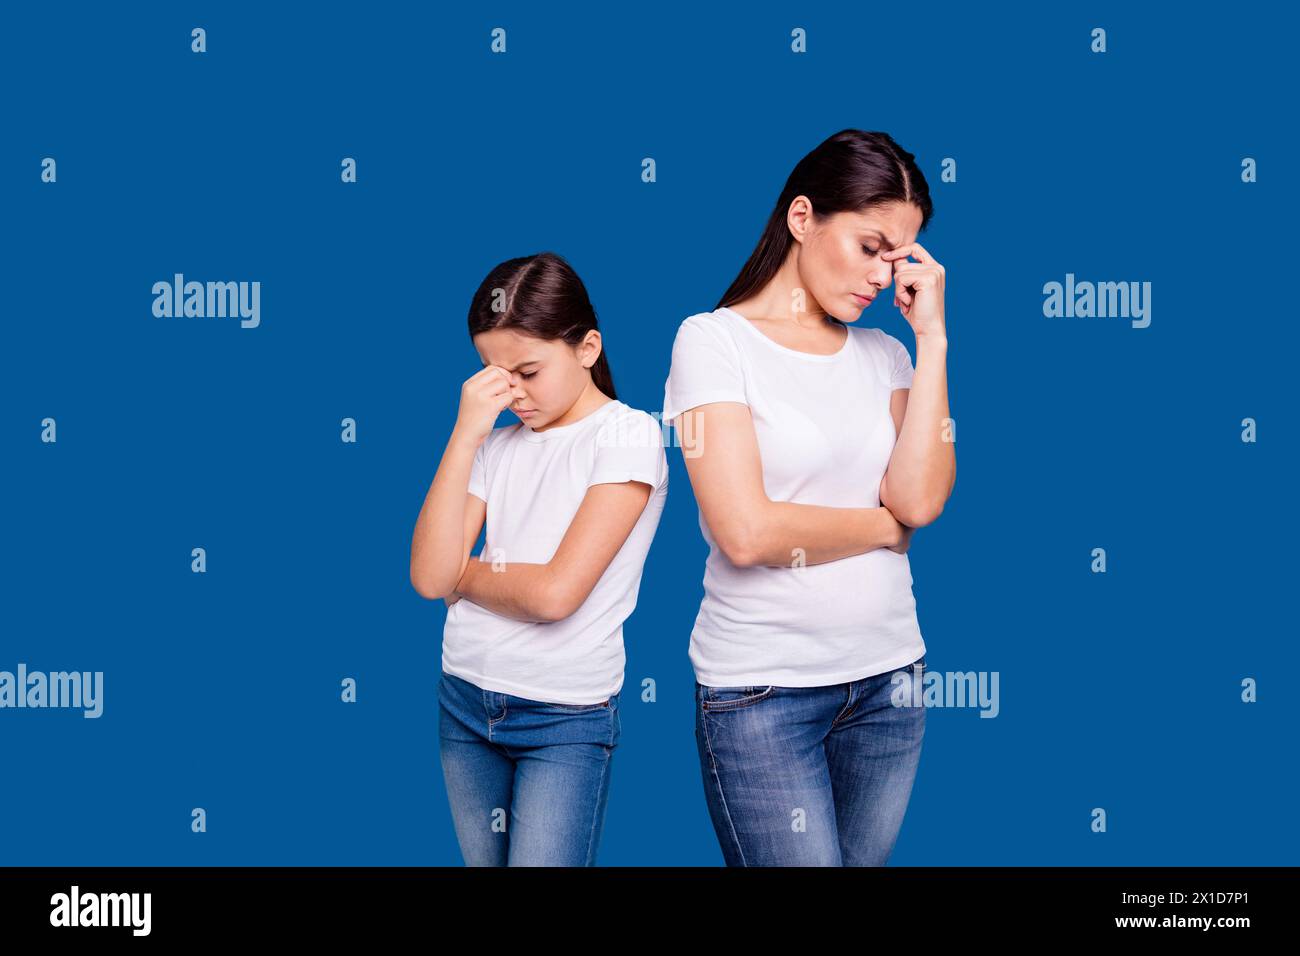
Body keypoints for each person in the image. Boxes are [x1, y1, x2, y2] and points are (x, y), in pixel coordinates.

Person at [661, 129, 955, 866]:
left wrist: (934, 340)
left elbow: (918, 502)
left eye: (900, 258)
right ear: (802, 218)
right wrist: (879, 529)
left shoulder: (887, 354)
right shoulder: (711, 343)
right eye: (869, 247)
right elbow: (747, 533)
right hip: (765, 697)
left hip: (891, 684)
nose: (884, 278)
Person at [410, 251, 668, 866]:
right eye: (493, 377)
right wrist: (466, 430)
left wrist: (465, 575)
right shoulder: (494, 444)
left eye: (527, 371)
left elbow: (556, 594)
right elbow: (426, 576)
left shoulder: (627, 436)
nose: (512, 394)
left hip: (564, 715)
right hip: (465, 697)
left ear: (586, 347)